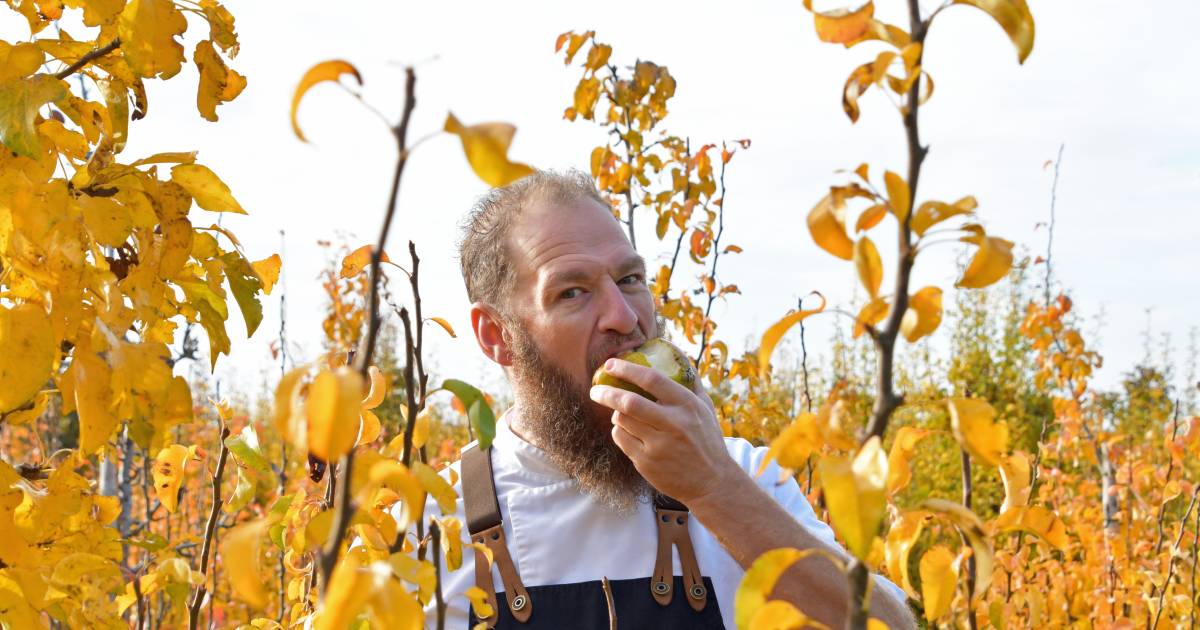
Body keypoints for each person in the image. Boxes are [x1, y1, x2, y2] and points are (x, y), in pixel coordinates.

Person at [416, 170, 913, 629]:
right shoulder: (435, 522)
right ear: (496, 334)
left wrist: (714, 487)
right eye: (572, 292)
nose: (624, 317)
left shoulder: (745, 475)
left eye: (630, 280)